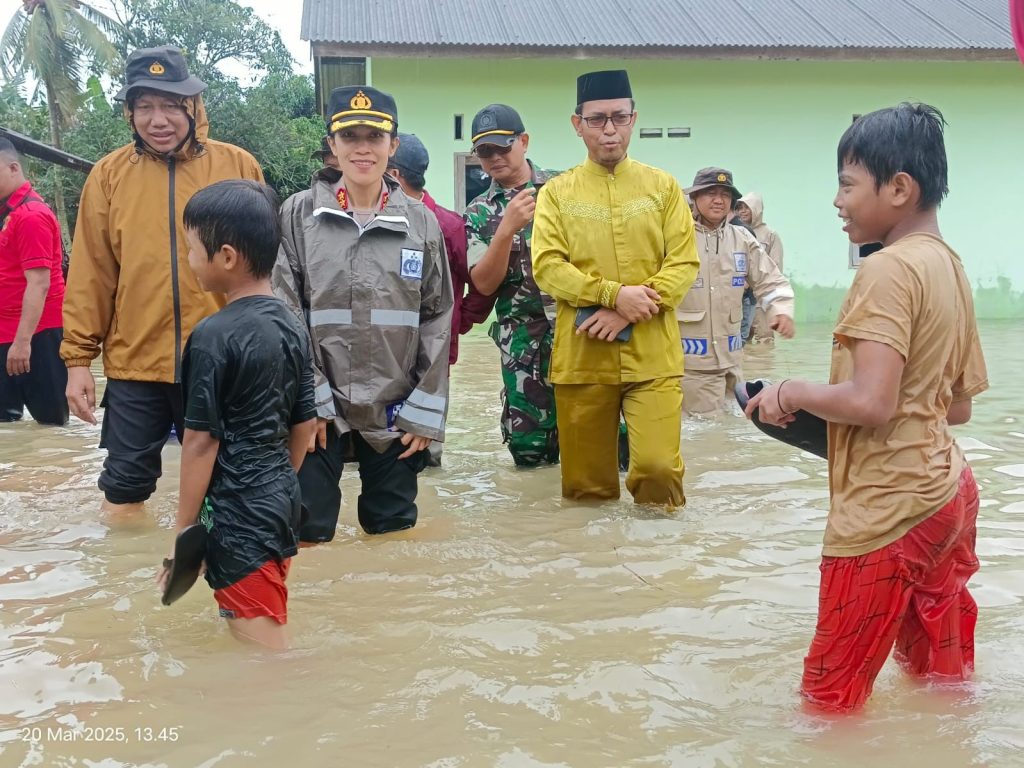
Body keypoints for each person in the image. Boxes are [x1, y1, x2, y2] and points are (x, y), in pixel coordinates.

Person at [746, 103, 987, 711]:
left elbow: (872, 403)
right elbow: (954, 410)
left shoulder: (886, 271)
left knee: (828, 703)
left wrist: (788, 392)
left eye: (847, 184)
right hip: (948, 491)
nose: (837, 200)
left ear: (899, 188)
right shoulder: (951, 267)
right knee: (940, 679)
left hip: (885, 516)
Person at [61, 45, 264, 518]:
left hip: (221, 360)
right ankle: (129, 582)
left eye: (171, 105)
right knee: (124, 484)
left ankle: (212, 579)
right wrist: (77, 360)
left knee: (229, 483)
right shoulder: (108, 176)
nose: (159, 120)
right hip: (135, 363)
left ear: (192, 108)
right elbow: (92, 273)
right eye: (145, 106)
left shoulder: (237, 166)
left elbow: (263, 270)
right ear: (130, 112)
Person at [275, 86, 453, 542]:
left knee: (392, 532)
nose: (362, 147)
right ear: (332, 146)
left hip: (395, 407)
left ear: (392, 146)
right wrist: (307, 400)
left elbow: (437, 317)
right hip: (319, 406)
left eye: (374, 136)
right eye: (349, 136)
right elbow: (286, 312)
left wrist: (425, 412)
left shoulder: (420, 222)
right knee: (306, 531)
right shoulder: (298, 214)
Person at [157, 180, 316, 650]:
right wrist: (275, 486)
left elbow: (201, 442)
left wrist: (185, 529)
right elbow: (304, 426)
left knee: (264, 649)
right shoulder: (293, 324)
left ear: (226, 257)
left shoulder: (211, 336)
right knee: (260, 618)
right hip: (281, 501)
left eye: (190, 249)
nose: (188, 260)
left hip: (239, 515)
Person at [532, 69, 699, 506]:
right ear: (577, 124)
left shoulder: (662, 188)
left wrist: (628, 307)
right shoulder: (556, 192)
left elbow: (683, 264)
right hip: (583, 357)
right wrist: (611, 294)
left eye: (619, 118)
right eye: (597, 119)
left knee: (658, 471)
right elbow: (548, 267)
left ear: (633, 119)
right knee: (587, 492)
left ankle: (660, 566)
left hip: (653, 357)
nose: (609, 130)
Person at [463, 104, 560, 467]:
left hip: (581, 334)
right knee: (531, 452)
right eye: (485, 152)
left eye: (503, 146)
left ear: (524, 141)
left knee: (607, 441)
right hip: (523, 347)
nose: (494, 158)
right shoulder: (478, 212)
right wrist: (505, 229)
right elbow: (484, 284)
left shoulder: (563, 189)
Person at [679, 168, 794, 416]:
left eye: (725, 194)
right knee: (702, 432)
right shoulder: (677, 237)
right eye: (710, 193)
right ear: (695, 198)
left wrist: (781, 310)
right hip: (691, 364)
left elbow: (770, 279)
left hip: (732, 359)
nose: (718, 200)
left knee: (733, 425)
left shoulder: (741, 238)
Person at [0, 139, 68, 426]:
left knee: (52, 424)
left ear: (14, 168)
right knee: (7, 425)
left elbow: (39, 284)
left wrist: (22, 343)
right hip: (6, 333)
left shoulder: (30, 216)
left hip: (37, 335)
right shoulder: (7, 213)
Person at [735, 192, 785, 344]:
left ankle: (764, 367)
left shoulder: (770, 235)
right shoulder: (735, 232)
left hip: (761, 296)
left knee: (765, 338)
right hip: (740, 296)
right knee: (742, 339)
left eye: (747, 207)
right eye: (740, 208)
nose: (742, 211)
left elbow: (775, 265)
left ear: (756, 209)